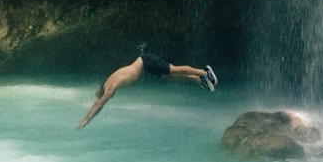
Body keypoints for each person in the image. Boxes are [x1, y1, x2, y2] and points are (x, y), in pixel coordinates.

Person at [78, 47, 218, 128]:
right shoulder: (108, 82)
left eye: (104, 96)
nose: (109, 97)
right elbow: (96, 103)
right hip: (145, 66)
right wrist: (85, 117)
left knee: (174, 70)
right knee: (169, 77)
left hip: (146, 62)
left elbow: (100, 104)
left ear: (104, 91)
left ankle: (205, 72)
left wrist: (88, 120)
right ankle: (199, 80)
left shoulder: (111, 87)